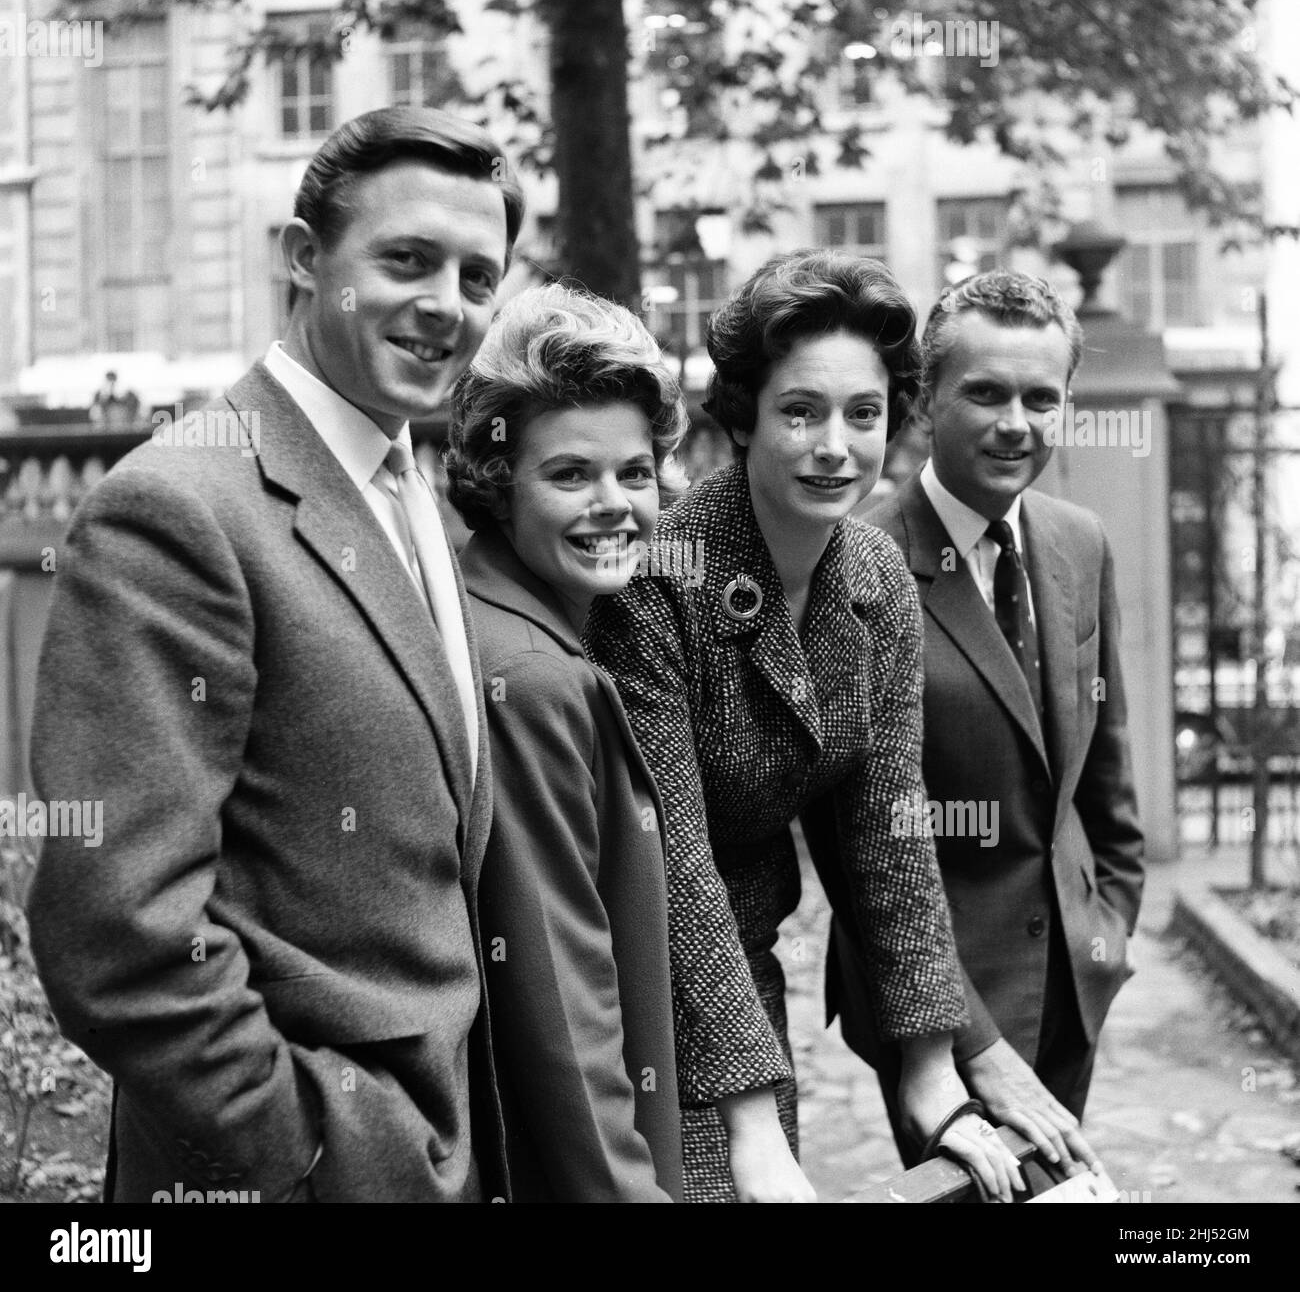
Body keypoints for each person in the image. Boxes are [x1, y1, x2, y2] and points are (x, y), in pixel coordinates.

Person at [26, 106, 523, 1203]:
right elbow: (116, 925)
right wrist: (316, 1148)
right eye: (406, 259)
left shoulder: (421, 507)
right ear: (303, 260)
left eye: (478, 277)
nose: (446, 303)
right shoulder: (178, 506)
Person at [586, 249, 1025, 1203]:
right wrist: (750, 1117)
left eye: (864, 414)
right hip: (618, 990)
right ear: (741, 417)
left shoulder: (873, 577)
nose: (837, 445)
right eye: (801, 411)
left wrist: (930, 1065)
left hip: (745, 976)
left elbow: (889, 830)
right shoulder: (659, 576)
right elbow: (673, 860)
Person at [840, 269, 1144, 1178]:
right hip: (937, 1011)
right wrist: (959, 1035)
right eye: (986, 392)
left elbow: (1105, 775)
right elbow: (859, 839)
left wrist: (1111, 932)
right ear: (926, 399)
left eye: (1041, 397)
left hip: (1074, 982)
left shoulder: (1078, 540)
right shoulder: (859, 559)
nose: (1017, 421)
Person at [447, 283, 687, 1202]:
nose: (613, 505)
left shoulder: (517, 627)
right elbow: (557, 991)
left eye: (635, 473)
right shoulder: (530, 678)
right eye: (569, 475)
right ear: (499, 482)